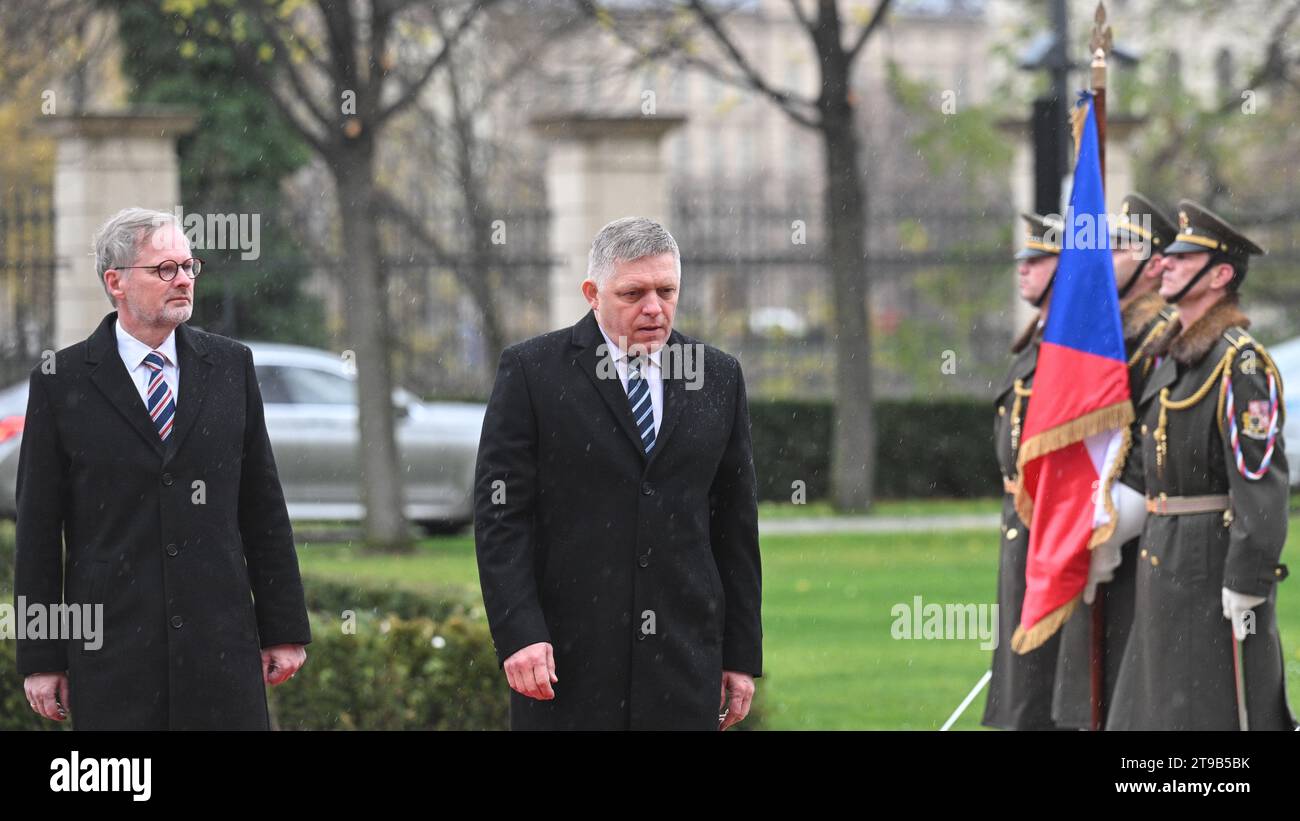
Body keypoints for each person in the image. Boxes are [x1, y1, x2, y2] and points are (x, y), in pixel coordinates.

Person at [14, 207, 311, 730]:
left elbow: (262, 505)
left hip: (219, 643)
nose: (184, 281)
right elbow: (38, 530)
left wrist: (283, 627)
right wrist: (42, 659)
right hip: (113, 648)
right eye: (164, 270)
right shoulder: (62, 382)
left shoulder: (231, 366)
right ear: (117, 282)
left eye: (189, 266)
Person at [473, 216, 763, 730]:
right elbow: (501, 517)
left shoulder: (717, 376)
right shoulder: (532, 372)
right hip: (564, 662)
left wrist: (740, 656)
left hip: (682, 662)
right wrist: (519, 632)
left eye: (666, 290)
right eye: (633, 293)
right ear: (592, 293)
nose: (654, 308)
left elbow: (735, 527)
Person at [1107, 200, 1295, 730]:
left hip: (1211, 565)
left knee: (1211, 714)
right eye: (1168, 254)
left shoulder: (1240, 363)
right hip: (1162, 559)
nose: (1166, 262)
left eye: (1185, 257)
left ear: (1221, 275)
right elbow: (1148, 465)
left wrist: (1248, 577)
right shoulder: (1176, 360)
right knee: (1153, 711)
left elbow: (1260, 484)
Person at [1052, 193, 1178, 729]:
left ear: (1154, 267)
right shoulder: (1114, 332)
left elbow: (1156, 442)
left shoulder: (1162, 337)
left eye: (1122, 246)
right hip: (1103, 529)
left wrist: (1111, 517)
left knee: (1140, 691)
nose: (1106, 255)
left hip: (1142, 537)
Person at [983, 213, 1064, 730]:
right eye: (1023, 261)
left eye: (1037, 262)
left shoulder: (1071, 344)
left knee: (1044, 673)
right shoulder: (1035, 341)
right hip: (1022, 516)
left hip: (1052, 521)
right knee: (1019, 666)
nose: (1024, 271)